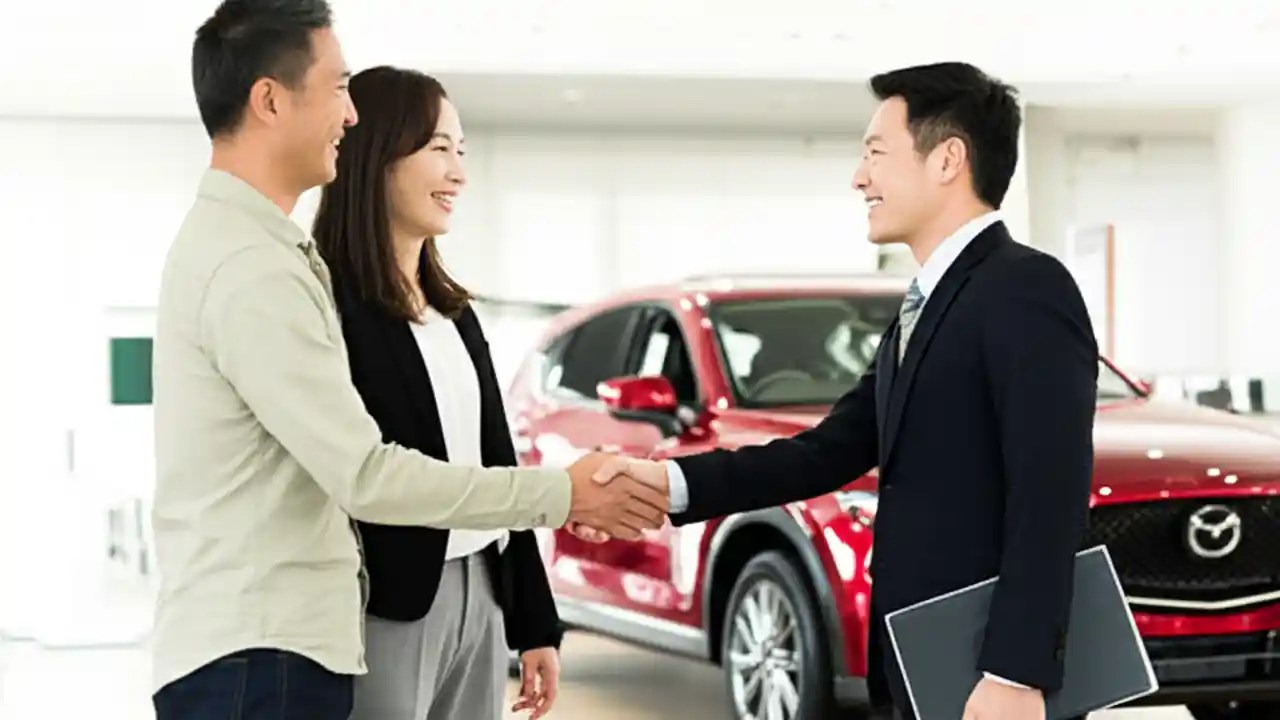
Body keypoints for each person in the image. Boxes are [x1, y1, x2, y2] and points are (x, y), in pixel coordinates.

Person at [150, 2, 666, 718]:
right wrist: (562, 493)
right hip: (269, 648)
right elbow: (366, 474)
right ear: (270, 100)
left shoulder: (268, 256)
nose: (349, 114)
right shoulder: (256, 268)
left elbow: (481, 451)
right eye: (338, 88)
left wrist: (531, 609)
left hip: (287, 642)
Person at [585, 62, 1097, 720]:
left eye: (876, 153)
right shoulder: (927, 305)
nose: (859, 177)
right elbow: (826, 452)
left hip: (987, 678)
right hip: (923, 664)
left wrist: (1017, 672)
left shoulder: (1025, 286)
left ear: (948, 160)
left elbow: (1050, 492)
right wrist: (666, 484)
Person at [310, 66, 561, 720]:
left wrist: (534, 621)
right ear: (377, 155)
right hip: (386, 603)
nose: (458, 173)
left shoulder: (454, 312)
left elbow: (498, 460)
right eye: (439, 148)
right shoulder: (329, 305)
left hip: (481, 587)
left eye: (462, 152)